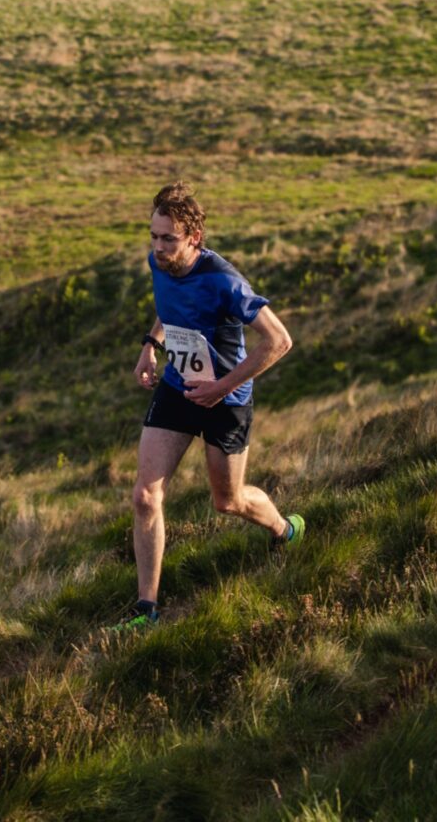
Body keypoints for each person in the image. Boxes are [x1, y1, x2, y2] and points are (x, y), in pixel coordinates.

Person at [116, 182, 303, 632]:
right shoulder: (157, 262)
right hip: (179, 388)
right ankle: (147, 610)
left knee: (228, 501)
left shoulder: (225, 281)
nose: (158, 248)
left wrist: (221, 387)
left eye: (169, 239)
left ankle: (285, 530)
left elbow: (279, 341)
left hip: (227, 400)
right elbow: (170, 308)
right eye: (153, 237)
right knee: (145, 495)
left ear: (194, 238)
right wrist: (150, 345)